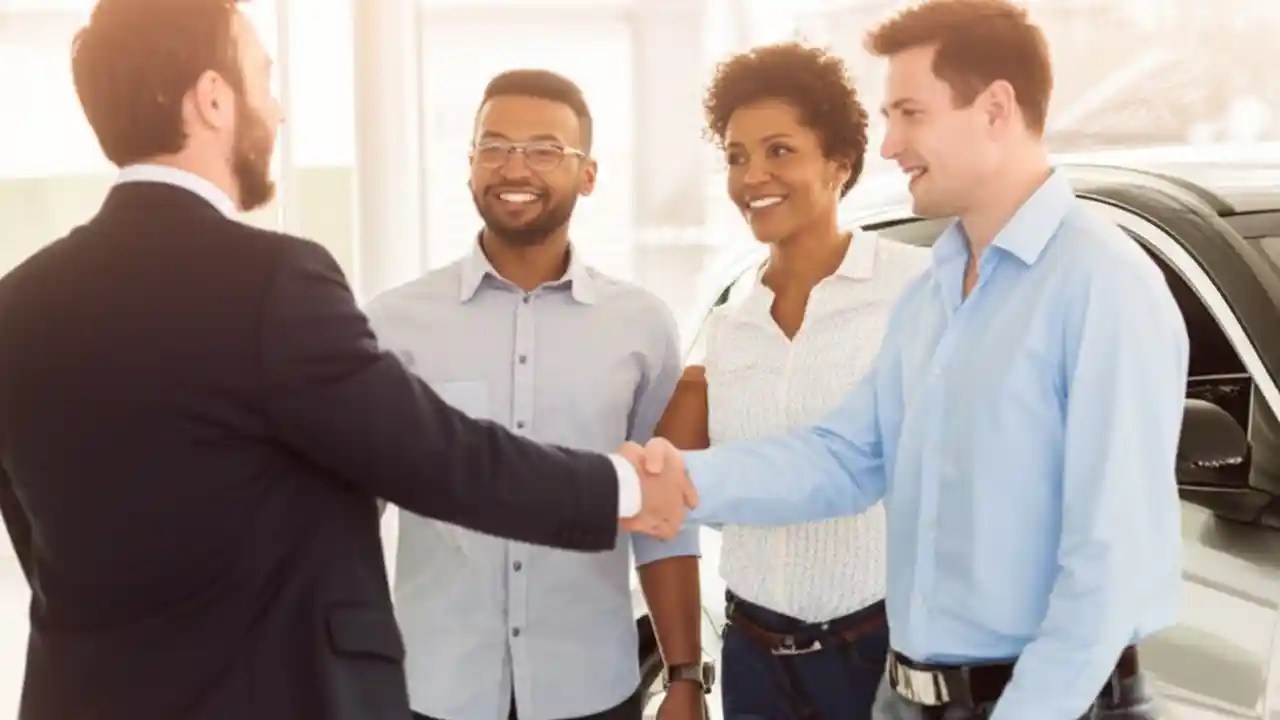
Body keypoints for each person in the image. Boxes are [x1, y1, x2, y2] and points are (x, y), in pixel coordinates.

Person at [0, 3, 691, 719]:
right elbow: (437, 457)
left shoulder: (16, 306)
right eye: (262, 80)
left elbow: (36, 539)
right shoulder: (273, 282)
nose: (277, 109)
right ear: (212, 98)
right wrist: (626, 489)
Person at [641, 1, 1189, 718]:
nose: (891, 144)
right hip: (908, 697)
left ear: (995, 108)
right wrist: (677, 480)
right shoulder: (933, 294)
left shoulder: (1102, 283)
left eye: (909, 113)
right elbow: (844, 457)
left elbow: (1107, 574)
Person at [364, 69, 708, 720]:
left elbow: (664, 518)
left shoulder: (641, 326)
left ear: (588, 174)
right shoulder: (392, 325)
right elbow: (350, 514)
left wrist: (685, 674)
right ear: (470, 166)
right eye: (493, 147)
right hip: (434, 689)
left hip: (591, 687)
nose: (514, 167)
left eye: (545, 149)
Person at [654, 42, 928, 720]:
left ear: (839, 164)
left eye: (780, 150)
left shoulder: (914, 290)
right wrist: (683, 673)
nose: (753, 175)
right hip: (754, 663)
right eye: (737, 156)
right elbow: (667, 506)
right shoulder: (728, 326)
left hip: (881, 655)